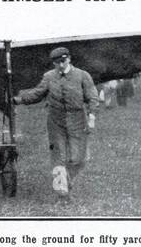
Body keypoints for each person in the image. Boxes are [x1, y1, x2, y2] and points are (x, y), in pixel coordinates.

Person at [14, 46, 99, 198]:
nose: (60, 65)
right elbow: (37, 93)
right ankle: (62, 193)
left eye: (63, 61)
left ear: (69, 59)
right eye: (56, 62)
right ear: (53, 63)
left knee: (79, 158)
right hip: (55, 121)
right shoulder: (49, 76)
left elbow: (92, 97)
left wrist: (92, 117)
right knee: (58, 156)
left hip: (77, 119)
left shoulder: (82, 75)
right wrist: (19, 99)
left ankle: (67, 179)